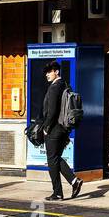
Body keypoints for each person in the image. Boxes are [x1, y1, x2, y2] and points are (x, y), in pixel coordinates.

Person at [38, 59, 82, 201]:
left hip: (54, 128)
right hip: (64, 127)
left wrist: (46, 128)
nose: (47, 75)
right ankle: (74, 181)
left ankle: (57, 193)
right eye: (46, 73)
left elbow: (52, 111)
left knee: (52, 160)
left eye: (49, 72)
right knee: (56, 158)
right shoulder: (65, 85)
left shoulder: (54, 87)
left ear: (56, 72)